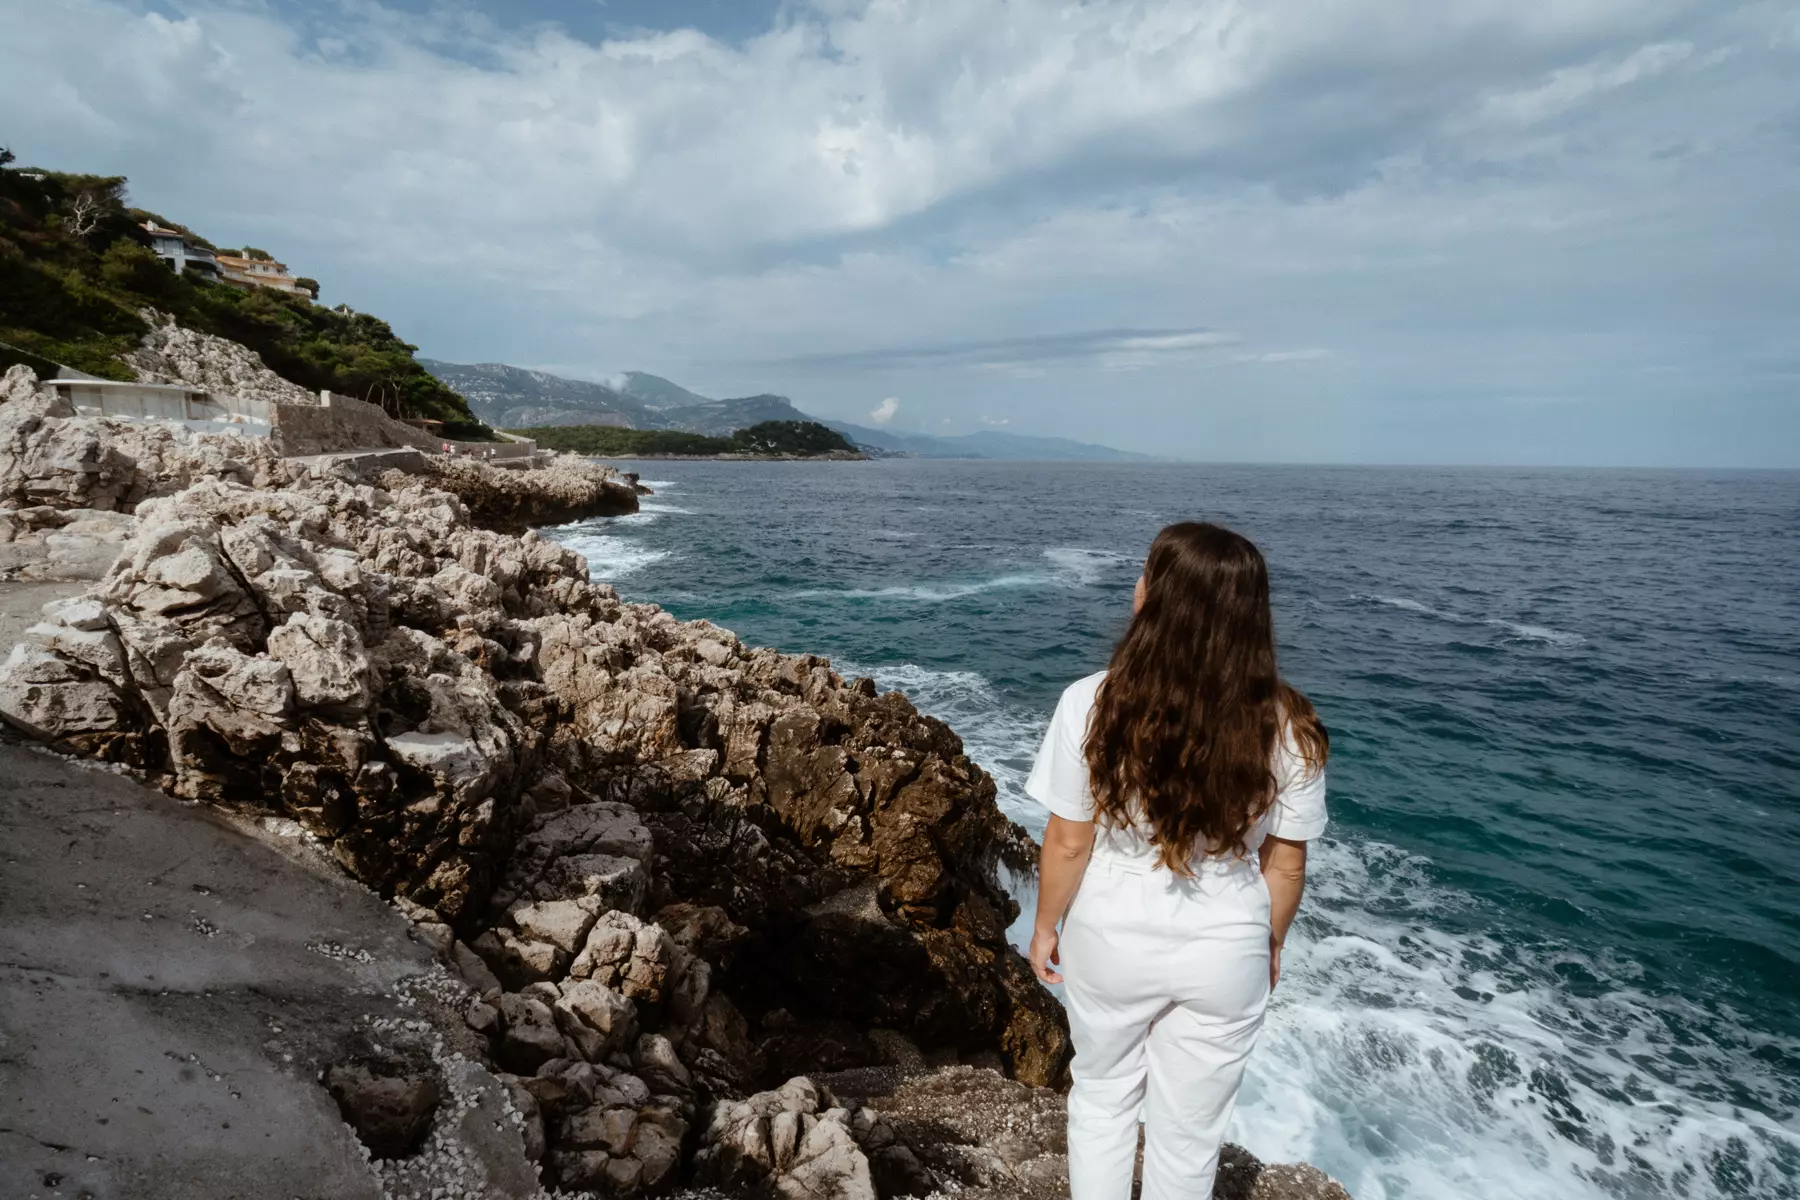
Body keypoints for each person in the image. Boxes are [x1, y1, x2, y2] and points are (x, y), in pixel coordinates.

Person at [1026, 521, 1329, 1200]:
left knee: (1102, 1101)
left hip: (1113, 928)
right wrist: (1271, 941)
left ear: (1160, 599)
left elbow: (1070, 840)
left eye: (1145, 573)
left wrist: (1046, 925)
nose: (1134, 585)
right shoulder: (1290, 726)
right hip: (1227, 940)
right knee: (1188, 1141)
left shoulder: (1092, 702)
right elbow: (1285, 865)